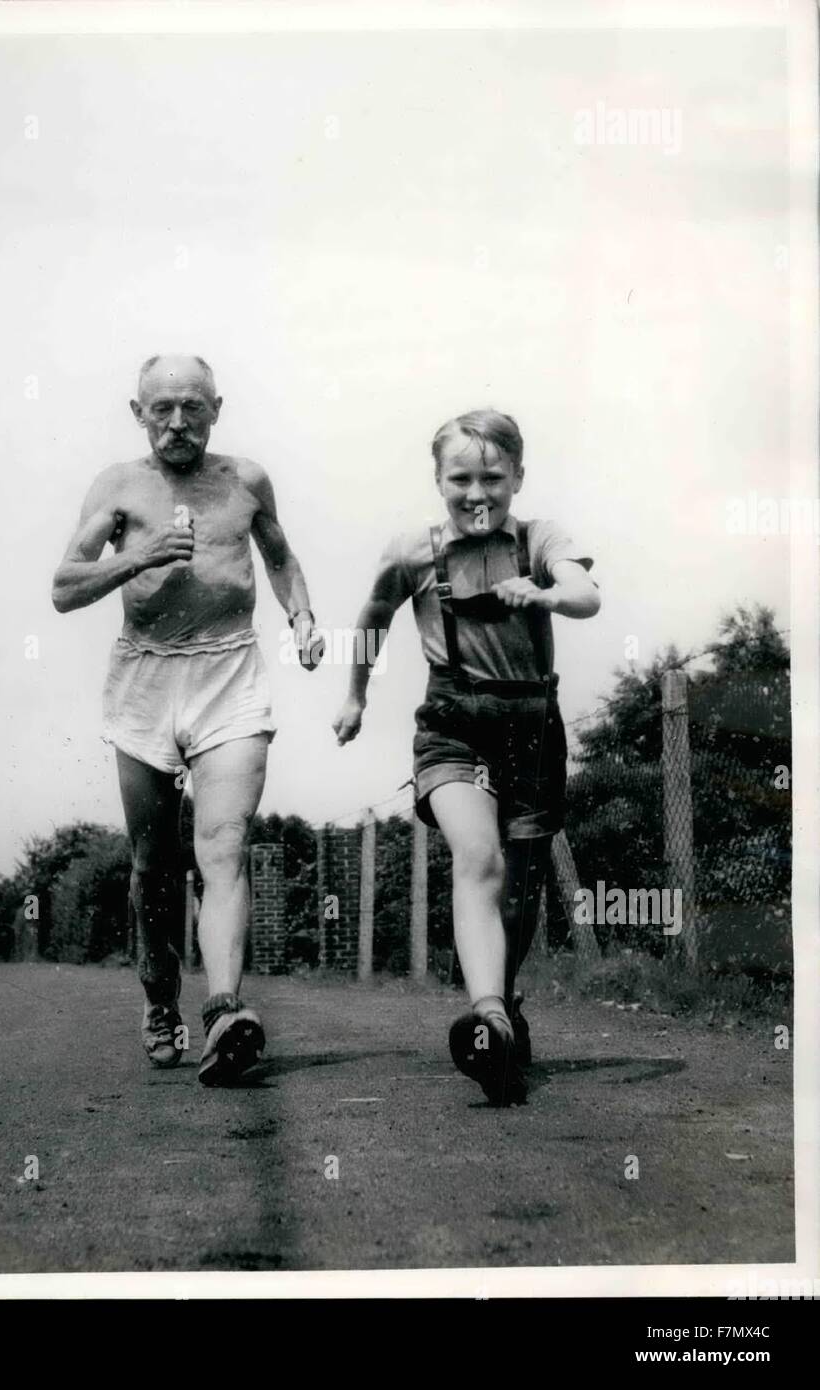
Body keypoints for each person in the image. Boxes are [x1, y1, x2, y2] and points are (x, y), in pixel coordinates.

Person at [52, 354, 323, 1084]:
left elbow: (281, 556)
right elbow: (63, 587)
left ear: (217, 408)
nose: (178, 422)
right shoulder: (117, 486)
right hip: (145, 675)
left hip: (229, 671)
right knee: (152, 866)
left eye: (193, 408)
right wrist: (136, 556)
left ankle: (226, 1010)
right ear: (137, 412)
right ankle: (159, 998)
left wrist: (300, 614)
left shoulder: (245, 480)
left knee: (223, 844)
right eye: (162, 408)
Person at [333, 408, 599, 1104]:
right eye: (460, 479)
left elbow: (585, 593)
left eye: (493, 478)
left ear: (518, 476)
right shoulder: (412, 552)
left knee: (521, 888)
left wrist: (542, 592)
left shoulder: (541, 538)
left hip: (533, 727)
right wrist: (354, 696)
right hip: (453, 727)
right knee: (479, 858)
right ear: (438, 479)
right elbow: (370, 621)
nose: (477, 494)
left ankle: (504, 1008)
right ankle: (485, 1016)